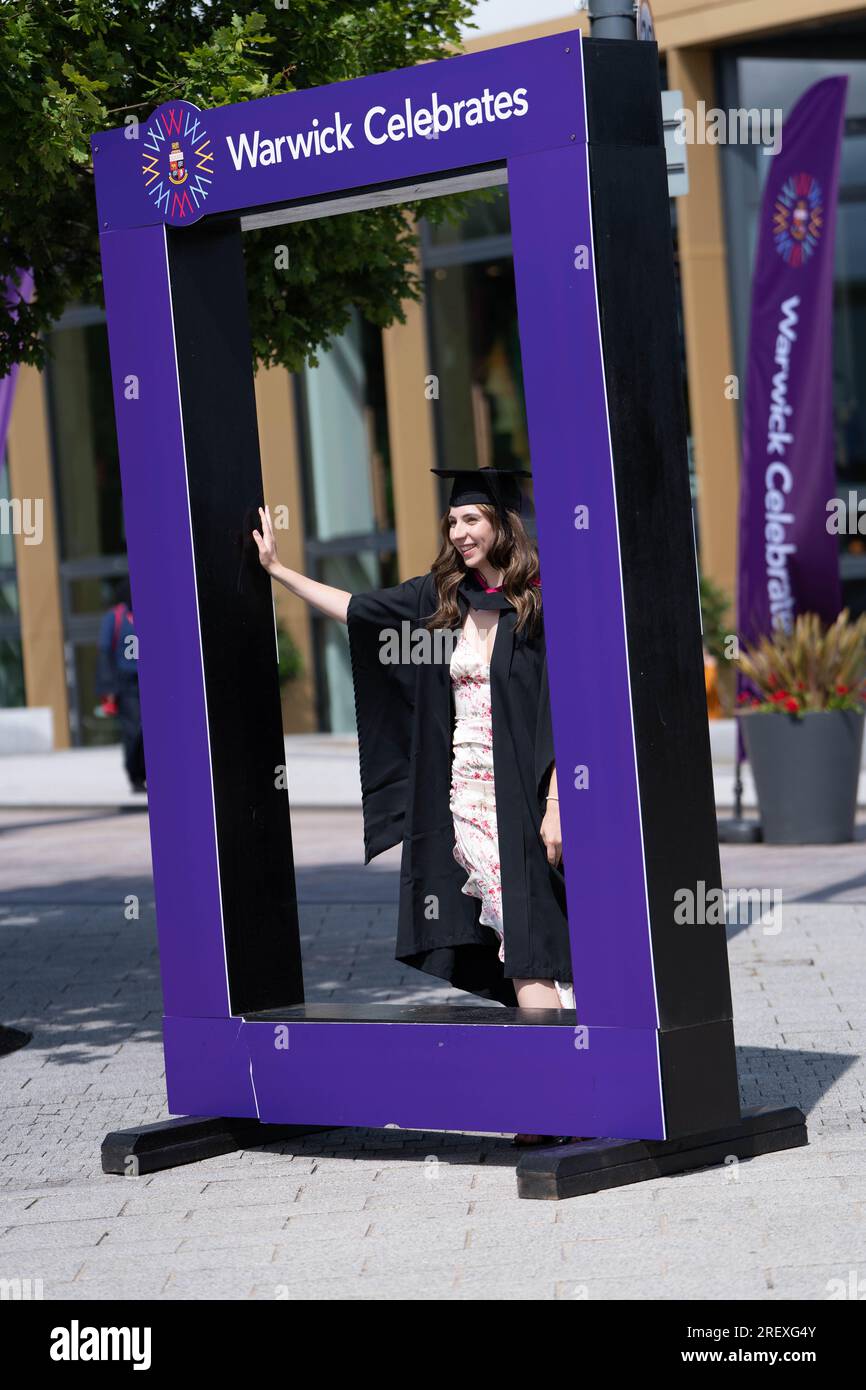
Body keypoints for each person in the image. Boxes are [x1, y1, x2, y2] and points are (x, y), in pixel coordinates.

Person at [252, 466, 580, 1147]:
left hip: (526, 795)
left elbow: (567, 710)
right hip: (469, 800)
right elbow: (357, 610)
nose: (459, 532)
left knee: (532, 946)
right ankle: (561, 1097)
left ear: (501, 525)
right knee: (520, 944)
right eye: (452, 522)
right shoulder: (442, 599)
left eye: (471, 520)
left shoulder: (541, 602)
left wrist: (558, 803)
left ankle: (558, 1102)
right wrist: (281, 572)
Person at [95, 578, 146, 794]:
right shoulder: (114, 617)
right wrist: (109, 688)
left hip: (149, 682)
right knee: (133, 730)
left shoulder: (147, 612)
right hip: (126, 685)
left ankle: (149, 770)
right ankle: (135, 775)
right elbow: (105, 652)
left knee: (149, 730)